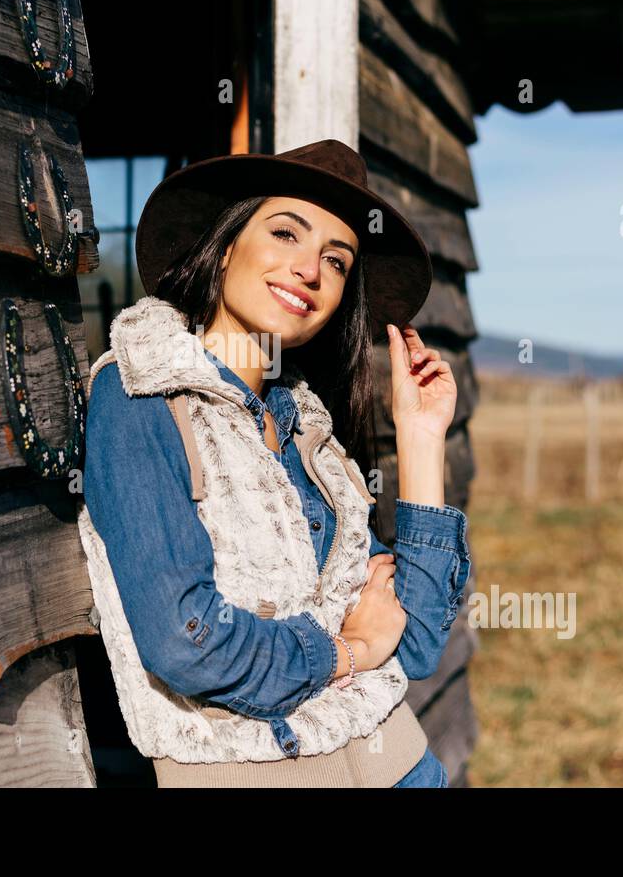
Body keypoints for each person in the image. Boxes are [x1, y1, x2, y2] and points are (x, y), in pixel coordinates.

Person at [77, 139, 472, 787]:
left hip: (405, 768)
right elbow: (186, 638)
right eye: (286, 231)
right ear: (226, 243)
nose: (309, 269)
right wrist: (349, 650)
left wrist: (422, 436)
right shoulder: (144, 394)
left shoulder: (309, 437)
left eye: (336, 260)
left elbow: (420, 641)